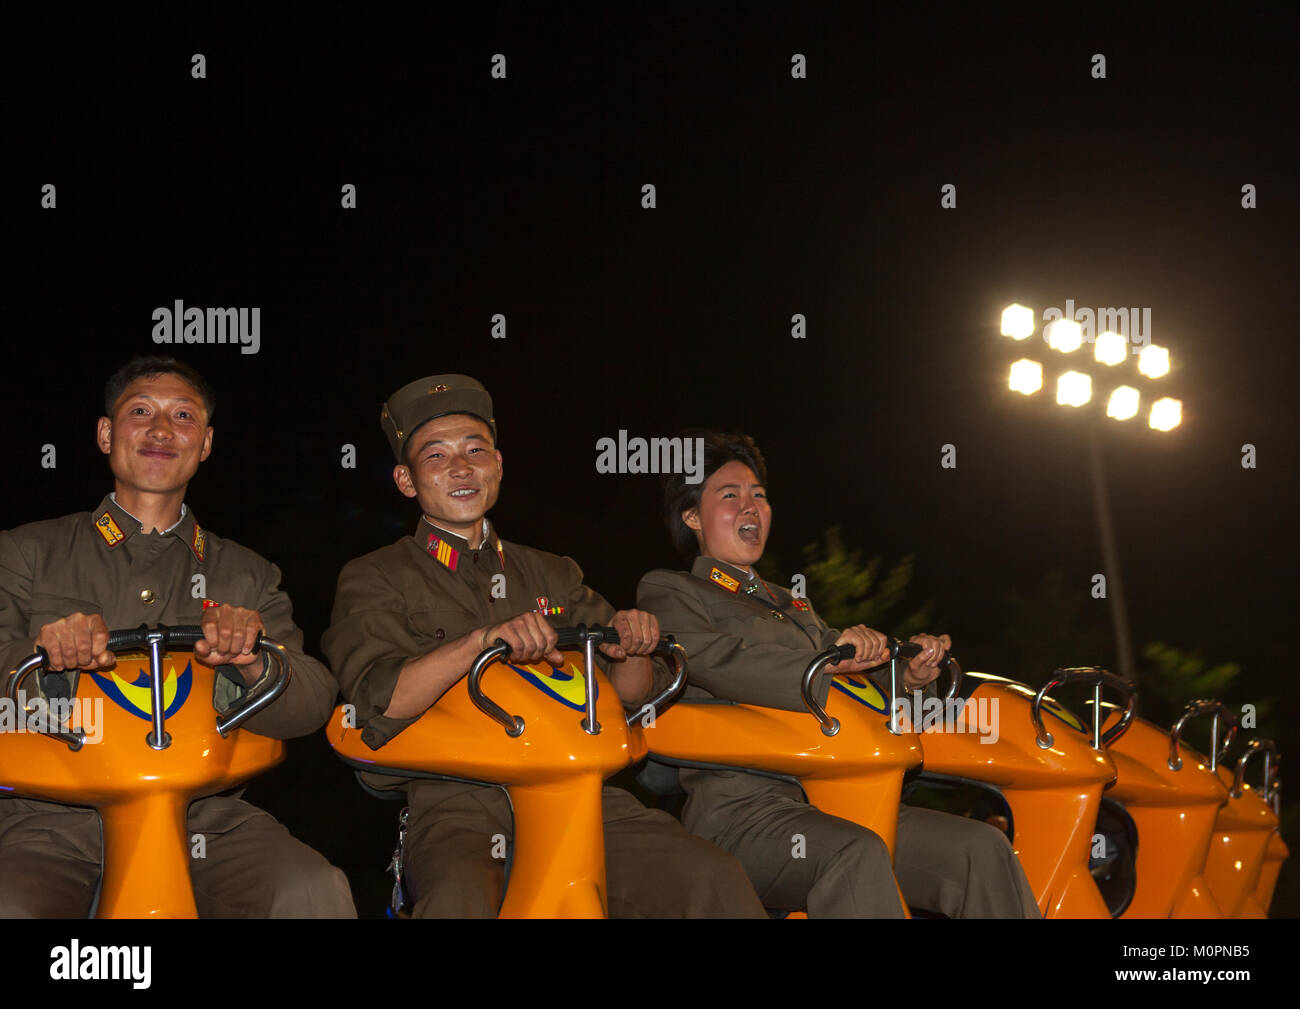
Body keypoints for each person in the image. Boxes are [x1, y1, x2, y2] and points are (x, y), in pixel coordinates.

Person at [322, 375, 766, 918]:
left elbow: (629, 697)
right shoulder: (376, 577)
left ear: (499, 465)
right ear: (406, 480)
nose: (461, 468)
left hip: (581, 795)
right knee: (459, 903)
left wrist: (630, 646)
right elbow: (377, 703)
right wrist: (479, 642)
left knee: (709, 878)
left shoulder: (553, 572)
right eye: (436, 455)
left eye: (475, 450)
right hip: (460, 803)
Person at [0, 355, 355, 918]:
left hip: (204, 819)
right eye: (140, 411)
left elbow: (312, 701)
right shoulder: (27, 552)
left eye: (183, 416)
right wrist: (42, 660)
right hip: (50, 818)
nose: (162, 430)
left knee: (312, 891)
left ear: (207, 443)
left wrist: (253, 662)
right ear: (105, 434)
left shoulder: (247, 574)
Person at [637, 429, 1041, 918]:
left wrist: (907, 678)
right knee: (854, 853)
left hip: (841, 795)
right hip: (745, 812)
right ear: (692, 517)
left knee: (980, 848)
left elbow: (857, 696)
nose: (751, 507)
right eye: (730, 496)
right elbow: (706, 657)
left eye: (759, 496)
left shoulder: (794, 605)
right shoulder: (672, 589)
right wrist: (826, 663)